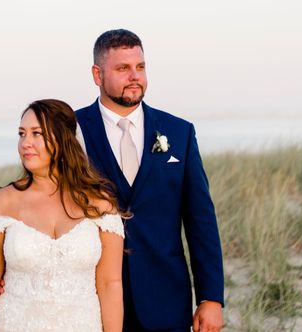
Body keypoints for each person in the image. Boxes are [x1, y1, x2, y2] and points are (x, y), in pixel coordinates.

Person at [75, 29, 224, 332]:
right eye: (122, 68)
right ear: (97, 74)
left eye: (140, 67)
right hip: (90, 301)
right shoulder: (70, 130)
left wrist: (210, 297)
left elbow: (200, 220)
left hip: (166, 300)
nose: (135, 76)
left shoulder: (179, 132)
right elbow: (44, 208)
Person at [0, 99, 126, 332]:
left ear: (63, 139)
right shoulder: (4, 202)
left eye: (37, 133)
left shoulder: (100, 204)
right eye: (22, 134)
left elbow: (110, 284)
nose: (25, 143)